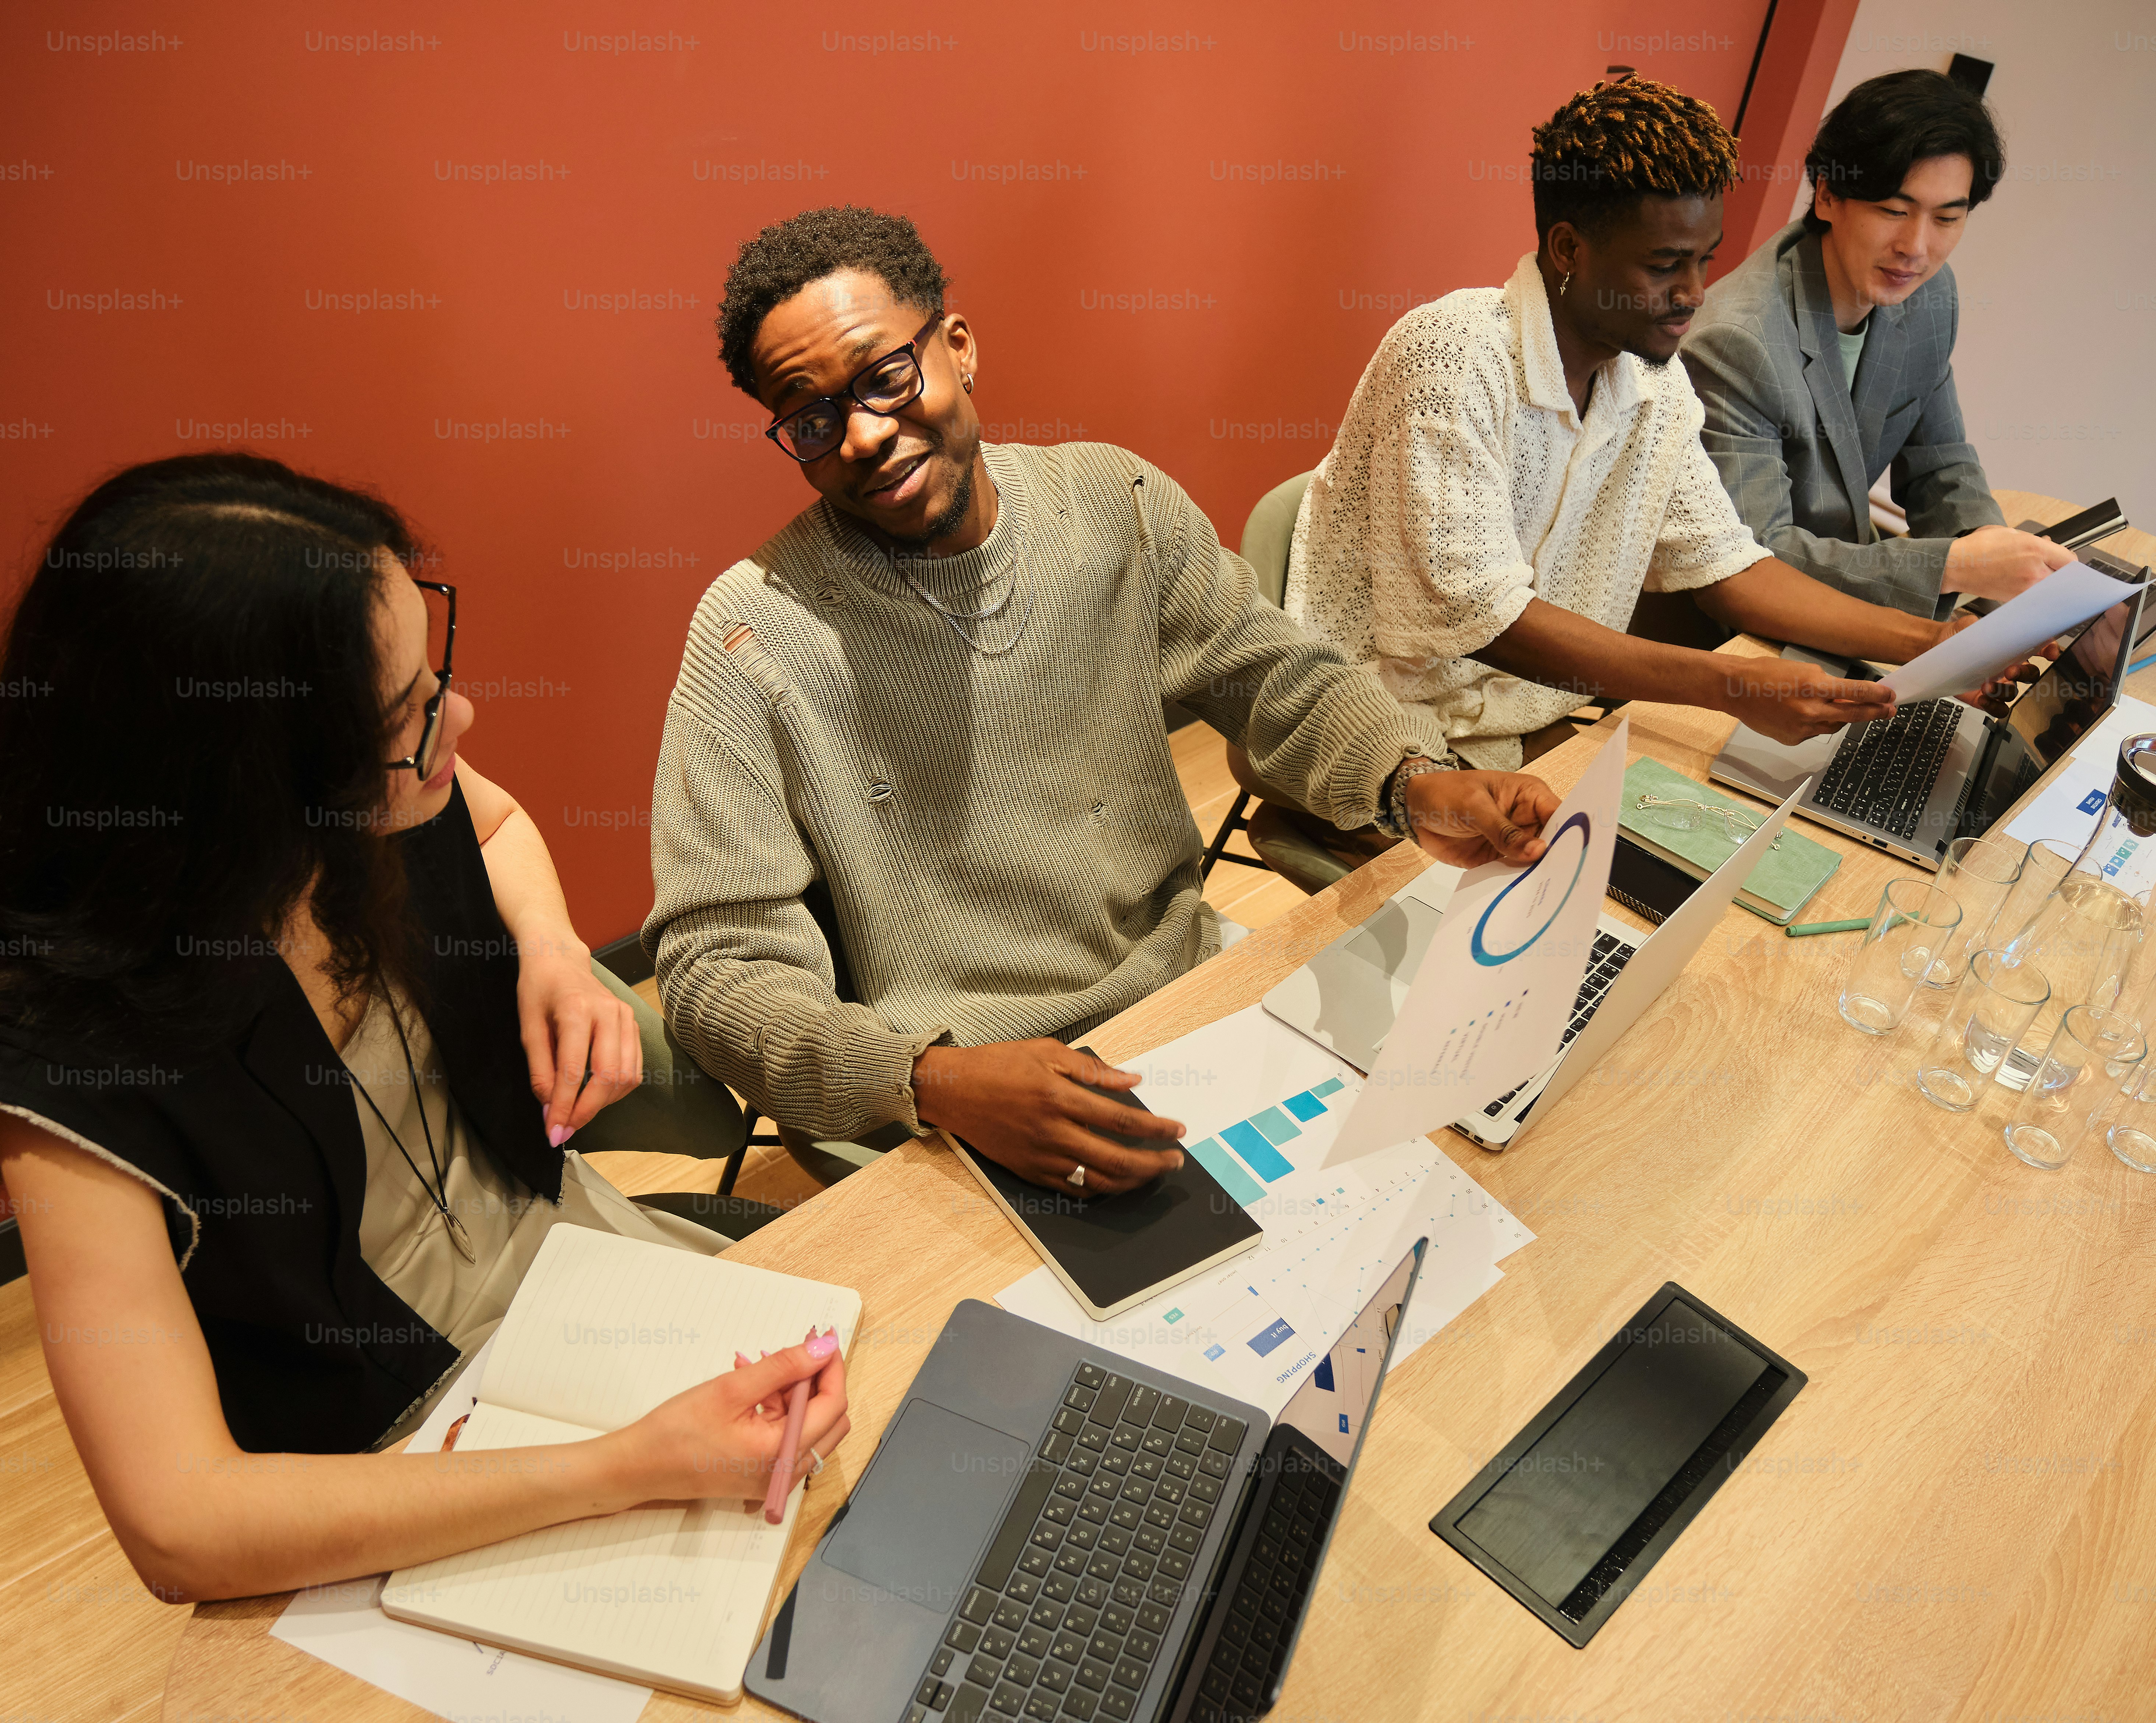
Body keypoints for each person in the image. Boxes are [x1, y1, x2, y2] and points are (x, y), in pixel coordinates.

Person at [0, 454, 849, 1602]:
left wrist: (554, 948)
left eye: (434, 679)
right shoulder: (70, 1074)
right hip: (392, 1462)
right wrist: (625, 1469)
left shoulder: (380, 800)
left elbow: (503, 819)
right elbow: (182, 1524)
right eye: (406, 717)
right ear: (238, 787)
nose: (455, 722)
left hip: (587, 1268)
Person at [644, 206, 1563, 1195]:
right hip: (972, 1101)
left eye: (886, 377)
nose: (864, 435)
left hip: (1194, 996)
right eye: (815, 418)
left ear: (958, 346)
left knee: (1475, 1161)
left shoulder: (1109, 502)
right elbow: (716, 967)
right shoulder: (750, 635)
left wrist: (1415, 777)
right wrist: (931, 1077)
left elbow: (1276, 679)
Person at [1285, 75, 2036, 773]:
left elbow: (1731, 567)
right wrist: (1730, 684)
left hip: (1520, 722)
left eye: (1704, 261)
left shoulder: (1653, 385)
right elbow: (1490, 620)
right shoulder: (1452, 357)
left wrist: (1936, 647)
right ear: (1568, 249)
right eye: (1664, 266)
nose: (1693, 295)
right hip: (1369, 725)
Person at [1681, 68, 2068, 617]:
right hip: (1730, 638)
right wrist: (1955, 566)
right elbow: (1756, 560)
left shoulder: (1928, 296)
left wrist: (1993, 558)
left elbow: (1941, 463)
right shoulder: (1738, 343)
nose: (1916, 247)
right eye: (1893, 211)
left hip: (1850, 602)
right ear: (1826, 196)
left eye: (1947, 218)